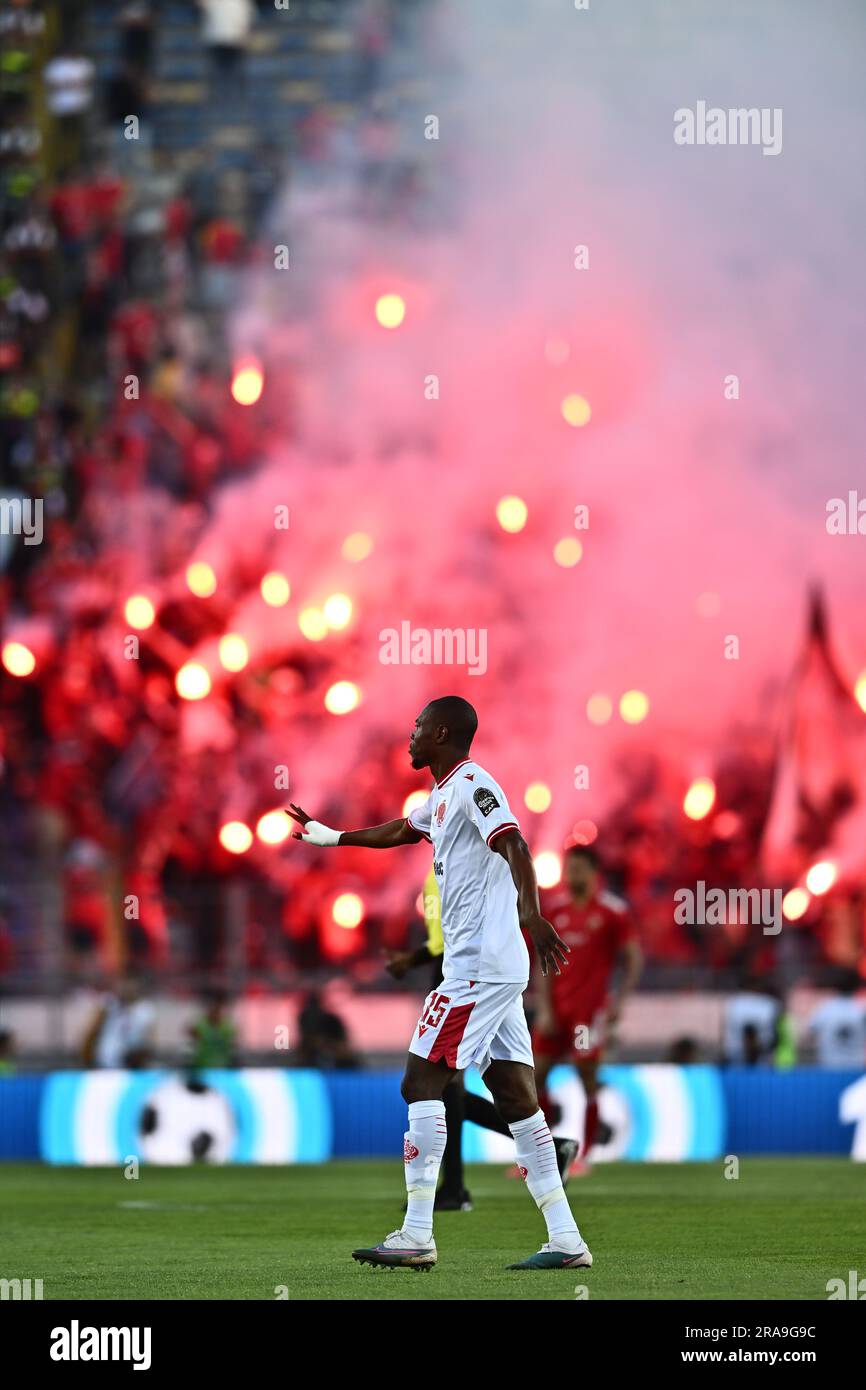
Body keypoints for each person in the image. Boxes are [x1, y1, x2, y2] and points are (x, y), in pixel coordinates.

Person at [289, 694, 591, 1271]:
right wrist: (331, 838)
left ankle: (417, 1232)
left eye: (419, 726)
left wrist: (530, 915)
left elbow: (516, 844)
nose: (410, 734)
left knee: (419, 1082)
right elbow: (402, 831)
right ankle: (566, 1240)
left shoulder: (478, 786)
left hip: (477, 967)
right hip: (487, 969)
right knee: (516, 1101)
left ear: (443, 732)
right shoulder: (443, 794)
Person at [386, 867, 576, 1210]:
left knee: (436, 1083)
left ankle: (451, 1192)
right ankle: (547, 1152)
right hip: (479, 968)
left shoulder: (452, 866)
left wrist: (410, 959)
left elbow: (445, 940)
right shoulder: (453, 863)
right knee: (456, 1086)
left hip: (463, 972)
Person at [532, 845, 643, 1170]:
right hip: (557, 1010)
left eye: (578, 869)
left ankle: (585, 1156)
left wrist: (619, 1001)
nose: (572, 875)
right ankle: (546, 1157)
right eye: (569, 868)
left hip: (587, 1014)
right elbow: (543, 961)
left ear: (595, 873)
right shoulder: (555, 910)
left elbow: (633, 957)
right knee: (535, 1078)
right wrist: (545, 1008)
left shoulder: (612, 911)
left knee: (586, 1078)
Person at [82, 976, 155, 1069]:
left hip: (130, 1061)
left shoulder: (144, 1010)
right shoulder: (109, 1005)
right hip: (104, 1059)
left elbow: (148, 1038)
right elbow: (93, 1029)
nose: (126, 989)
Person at [807, 969, 866, 1068]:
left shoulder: (825, 1008)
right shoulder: (861, 1007)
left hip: (829, 1065)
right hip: (857, 1066)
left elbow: (810, 1034)